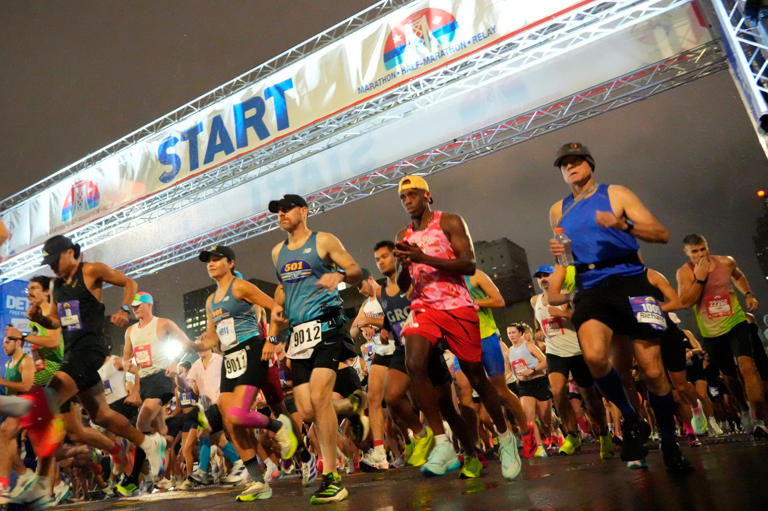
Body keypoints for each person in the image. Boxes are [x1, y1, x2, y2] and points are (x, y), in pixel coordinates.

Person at [547, 143, 691, 471]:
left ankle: (670, 445)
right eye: (564, 164)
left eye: (576, 161)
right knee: (596, 357)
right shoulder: (558, 209)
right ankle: (630, 418)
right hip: (591, 286)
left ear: (590, 164)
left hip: (631, 282)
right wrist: (559, 254)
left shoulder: (617, 194)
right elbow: (565, 255)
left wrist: (622, 225)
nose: (570, 167)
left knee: (653, 371)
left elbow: (661, 233)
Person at [394, 175, 521, 480]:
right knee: (414, 362)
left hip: (457, 305)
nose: (408, 201)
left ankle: (505, 438)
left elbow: (468, 264)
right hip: (425, 307)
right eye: (403, 198)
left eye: (413, 195)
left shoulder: (448, 222)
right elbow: (402, 285)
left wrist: (422, 256)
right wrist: (404, 264)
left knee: (477, 377)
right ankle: (441, 443)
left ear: (428, 197)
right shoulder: (403, 233)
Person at [23, 235, 166, 504]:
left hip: (91, 349)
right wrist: (41, 318)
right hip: (73, 352)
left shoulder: (91, 270)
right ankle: (149, 443)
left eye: (55, 260)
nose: (52, 266)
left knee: (48, 400)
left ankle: (41, 485)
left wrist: (124, 308)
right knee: (101, 416)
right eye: (48, 263)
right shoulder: (56, 285)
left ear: (69, 252)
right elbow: (56, 320)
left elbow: (129, 282)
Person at [263, 194, 362, 504]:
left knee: (320, 398)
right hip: (298, 335)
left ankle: (332, 476)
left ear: (303, 211)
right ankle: (348, 407)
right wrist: (275, 326)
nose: (280, 214)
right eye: (277, 211)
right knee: (306, 410)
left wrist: (341, 276)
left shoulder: (324, 241)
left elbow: (356, 269)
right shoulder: (277, 251)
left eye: (286, 209)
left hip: (328, 324)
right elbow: (282, 291)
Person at [198, 244, 297, 502]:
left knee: (238, 413)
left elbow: (277, 308)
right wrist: (192, 345)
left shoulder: (240, 287)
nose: (211, 263)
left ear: (230, 263)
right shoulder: (211, 301)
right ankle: (257, 480)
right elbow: (210, 338)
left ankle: (277, 425)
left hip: (252, 348)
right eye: (208, 260)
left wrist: (271, 339)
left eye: (217, 259)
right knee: (229, 419)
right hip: (230, 357)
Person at [675, 233, 768, 437]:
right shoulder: (684, 273)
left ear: (707, 246)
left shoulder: (726, 262)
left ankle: (759, 419)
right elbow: (686, 302)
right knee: (729, 376)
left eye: (703, 249)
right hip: (711, 332)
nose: (700, 255)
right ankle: (743, 408)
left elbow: (739, 276)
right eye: (695, 252)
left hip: (735, 321)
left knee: (748, 367)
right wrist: (699, 280)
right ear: (687, 253)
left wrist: (748, 294)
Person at [530, 265, 612, 458]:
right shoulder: (536, 301)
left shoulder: (567, 296)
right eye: (539, 276)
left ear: (556, 276)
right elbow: (539, 324)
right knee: (558, 393)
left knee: (590, 398)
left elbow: (584, 318)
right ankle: (572, 435)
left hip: (576, 351)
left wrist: (564, 314)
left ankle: (604, 435)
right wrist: (539, 333)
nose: (543, 279)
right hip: (554, 352)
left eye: (547, 275)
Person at [349, 268, 391, 470]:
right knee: (373, 398)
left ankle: (435, 435)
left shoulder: (386, 293)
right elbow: (353, 330)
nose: (359, 291)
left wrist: (370, 321)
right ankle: (380, 453)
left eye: (360, 285)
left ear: (370, 279)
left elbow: (393, 318)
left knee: (401, 403)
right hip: (381, 353)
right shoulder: (366, 306)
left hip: (399, 349)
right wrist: (359, 327)